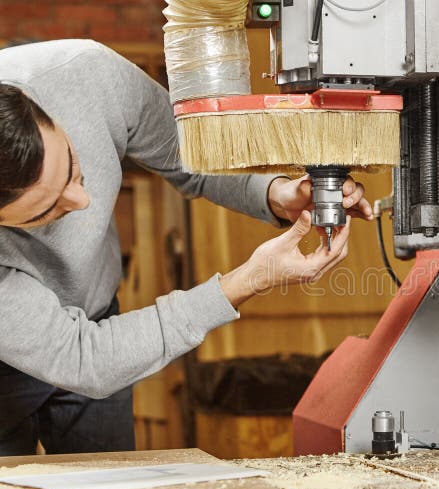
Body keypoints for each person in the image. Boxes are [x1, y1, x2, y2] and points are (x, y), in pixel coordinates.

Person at [0, 39, 373, 456]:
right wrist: (248, 279)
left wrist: (274, 194)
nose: (84, 203)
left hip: (97, 316)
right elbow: (86, 358)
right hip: (16, 360)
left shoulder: (86, 74)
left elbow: (187, 154)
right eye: (47, 211)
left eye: (73, 166)